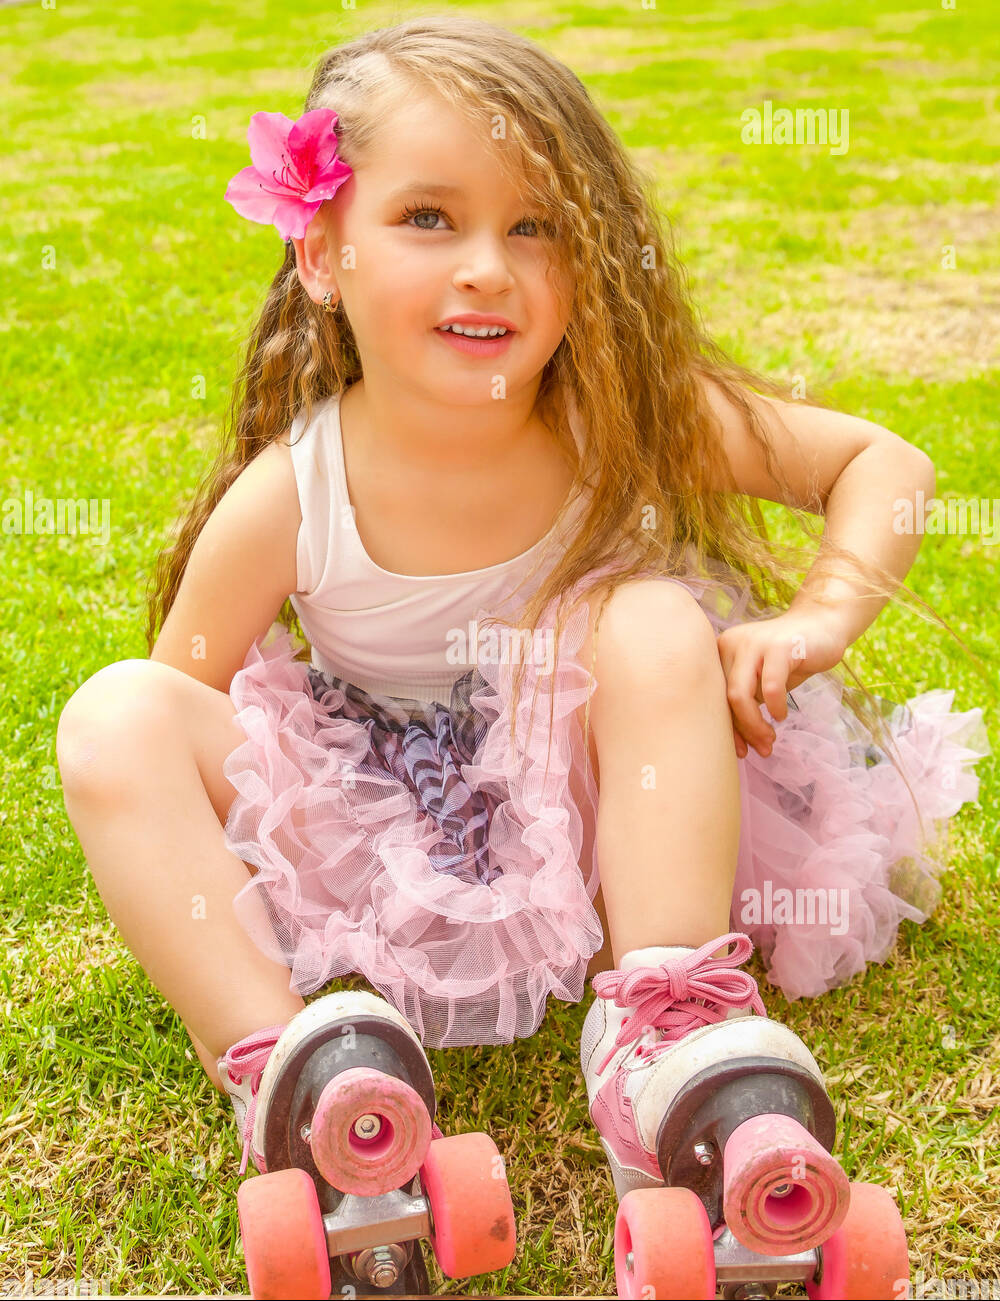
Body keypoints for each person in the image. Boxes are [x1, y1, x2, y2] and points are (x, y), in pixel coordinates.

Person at [56, 17, 988, 1206]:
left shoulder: (615, 419)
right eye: (429, 218)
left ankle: (662, 1021)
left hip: (615, 816)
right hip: (386, 831)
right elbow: (178, 704)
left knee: (649, 616)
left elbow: (879, 463)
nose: (487, 266)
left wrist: (813, 622)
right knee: (113, 714)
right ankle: (290, 1073)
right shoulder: (294, 492)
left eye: (533, 225)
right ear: (322, 252)